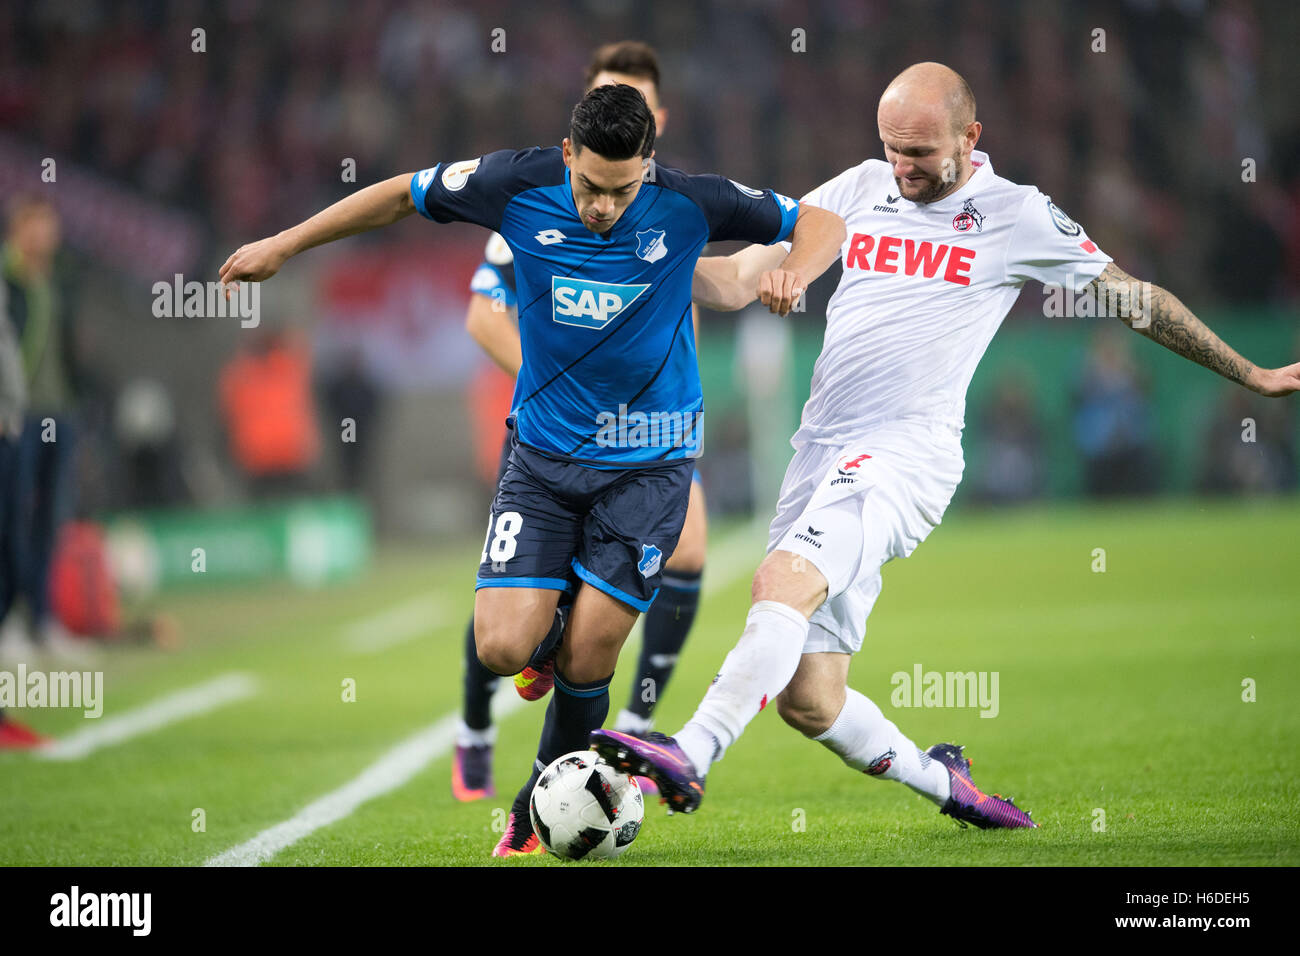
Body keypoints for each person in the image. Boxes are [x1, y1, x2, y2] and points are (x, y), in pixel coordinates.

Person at [592, 61, 1300, 830]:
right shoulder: (861, 187)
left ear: (972, 138)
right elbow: (735, 279)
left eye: (921, 154)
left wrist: (1253, 374)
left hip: (907, 454)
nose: (902, 167)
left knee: (780, 582)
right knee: (809, 697)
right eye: (892, 147)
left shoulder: (1016, 214)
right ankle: (953, 788)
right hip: (818, 453)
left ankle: (689, 752)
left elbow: (1136, 301)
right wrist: (646, 273)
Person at [218, 83, 846, 855]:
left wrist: (799, 271)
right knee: (502, 649)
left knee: (591, 654)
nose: (602, 207)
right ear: (565, 155)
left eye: (621, 190)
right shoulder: (514, 185)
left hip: (650, 466)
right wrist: (285, 244)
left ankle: (540, 791)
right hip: (543, 460)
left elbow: (820, 221)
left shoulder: (692, 202)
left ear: (648, 166)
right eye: (588, 185)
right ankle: (548, 631)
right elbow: (397, 197)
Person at [452, 40, 710, 804]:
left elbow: (728, 274)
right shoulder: (547, 198)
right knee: (512, 615)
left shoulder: (679, 205)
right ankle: (476, 724)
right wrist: (565, 381)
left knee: (687, 551)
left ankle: (630, 719)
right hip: (560, 435)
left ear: (657, 119)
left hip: (651, 434)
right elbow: (480, 312)